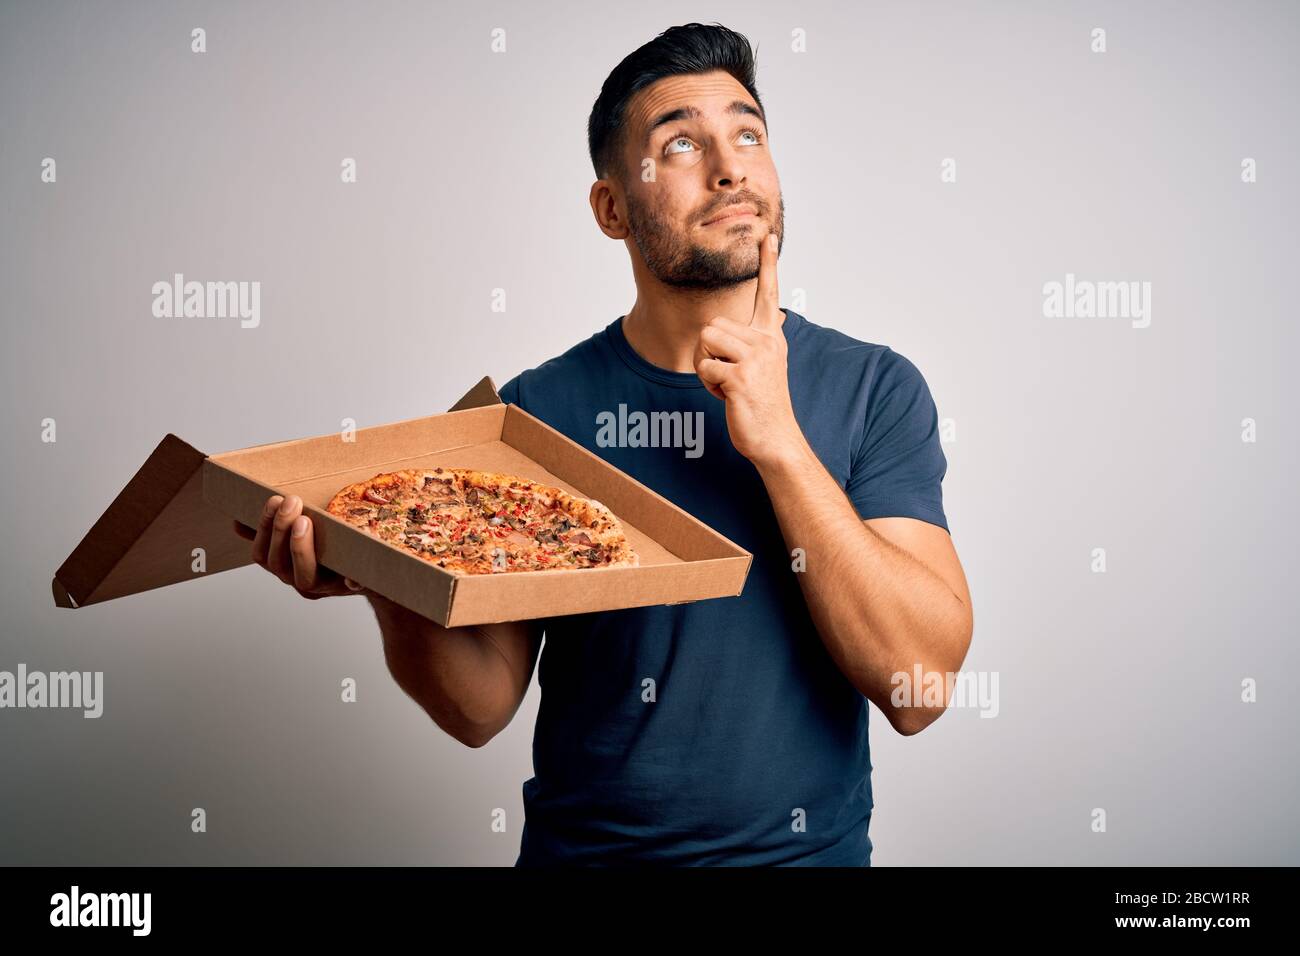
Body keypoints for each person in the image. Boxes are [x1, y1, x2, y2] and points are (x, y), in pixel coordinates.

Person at [234, 22, 972, 866]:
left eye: (748, 133)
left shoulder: (876, 387)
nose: (729, 166)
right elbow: (480, 708)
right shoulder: (534, 414)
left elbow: (921, 688)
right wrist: (387, 577)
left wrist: (780, 443)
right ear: (612, 207)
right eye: (681, 143)